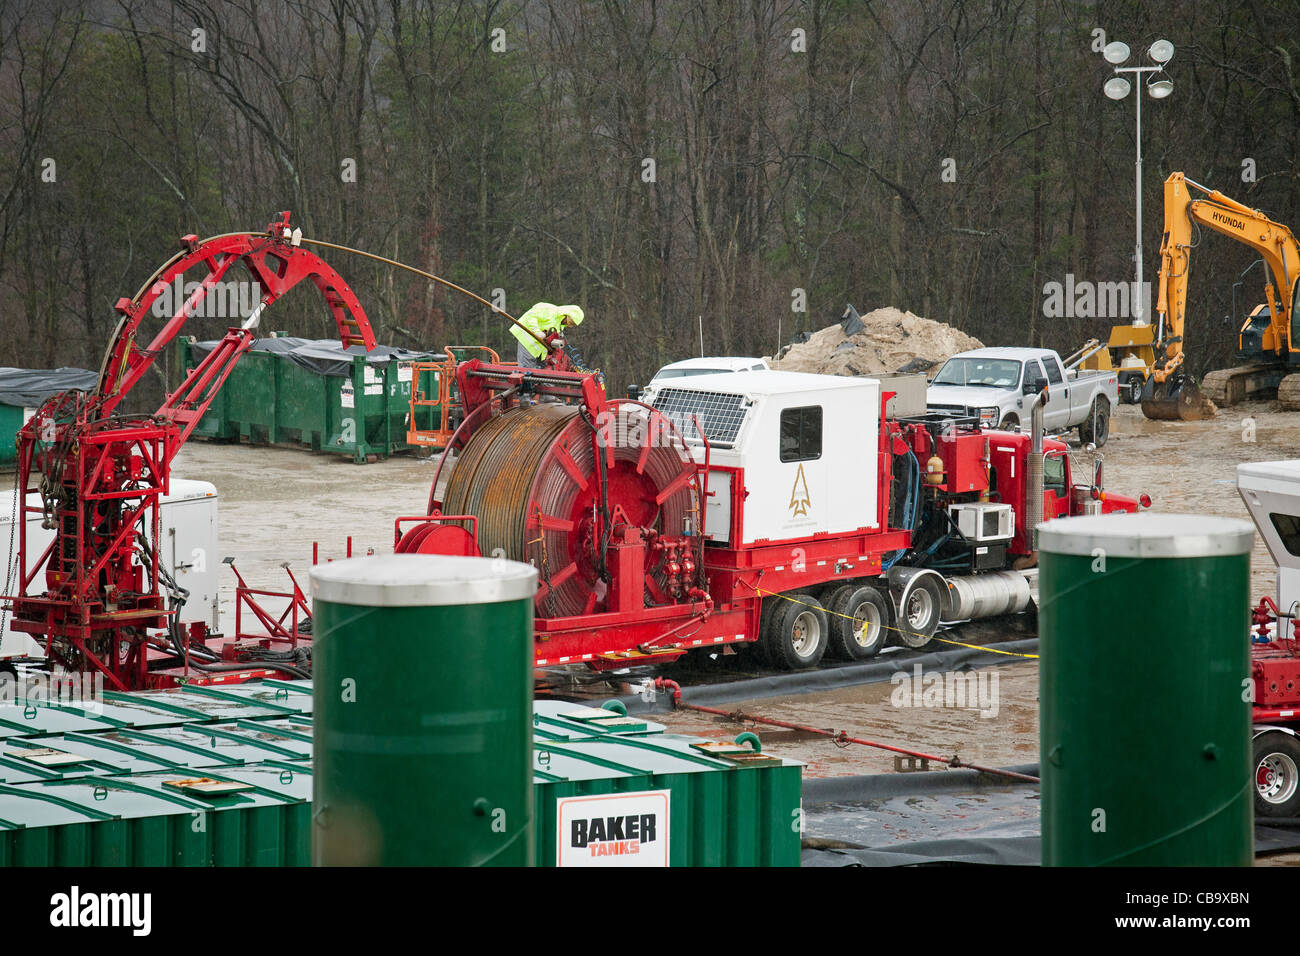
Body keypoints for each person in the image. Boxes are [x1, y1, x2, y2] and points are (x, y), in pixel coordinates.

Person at [511, 302, 584, 368]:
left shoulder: (559, 324)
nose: (568, 325)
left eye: (572, 324)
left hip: (539, 348)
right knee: (526, 369)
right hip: (527, 340)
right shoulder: (549, 310)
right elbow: (530, 316)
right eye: (570, 322)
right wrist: (537, 332)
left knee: (542, 371)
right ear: (566, 315)